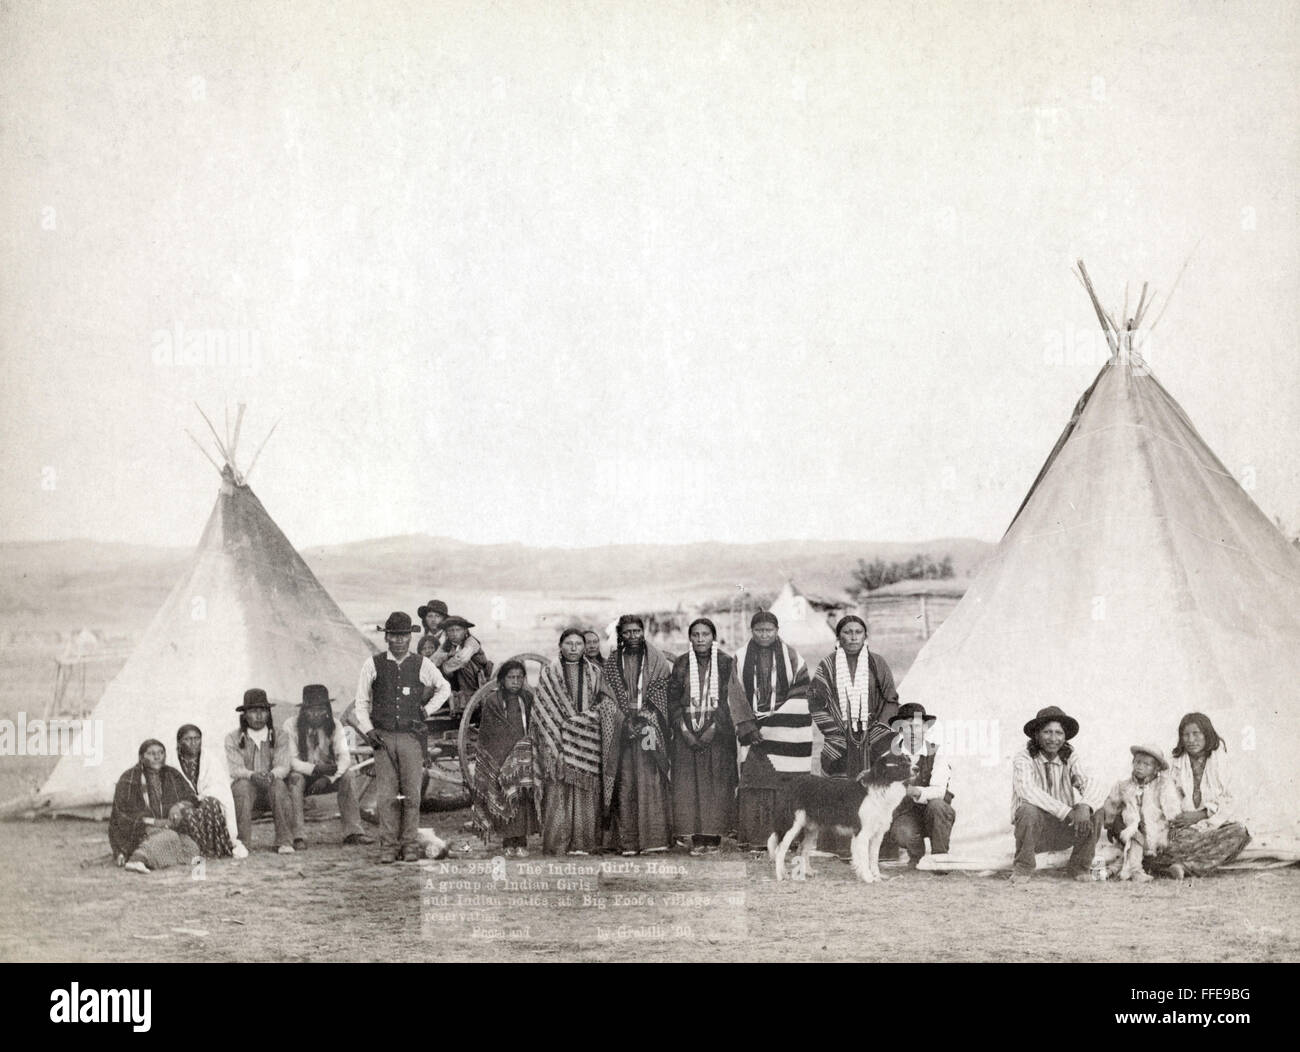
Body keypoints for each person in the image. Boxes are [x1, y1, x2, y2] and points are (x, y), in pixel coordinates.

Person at [353, 611, 453, 863]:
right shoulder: (372, 664)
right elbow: (361, 702)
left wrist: (426, 711)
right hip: (383, 738)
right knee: (387, 797)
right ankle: (388, 846)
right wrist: (368, 730)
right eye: (394, 636)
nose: (399, 641)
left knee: (412, 795)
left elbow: (444, 688)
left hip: (410, 737)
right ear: (386, 637)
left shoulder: (422, 664)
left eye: (404, 636)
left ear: (410, 637)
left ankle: (408, 845)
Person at [729, 611, 812, 848]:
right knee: (755, 780)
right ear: (751, 631)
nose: (764, 635)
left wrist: (777, 721)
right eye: (759, 630)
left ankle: (789, 837)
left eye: (769, 630)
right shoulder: (740, 657)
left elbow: (801, 691)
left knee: (788, 783)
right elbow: (734, 693)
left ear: (777, 631)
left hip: (785, 728)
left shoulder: (794, 658)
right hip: (753, 730)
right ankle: (756, 838)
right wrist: (747, 725)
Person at [532, 628, 617, 855]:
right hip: (556, 741)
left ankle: (583, 844)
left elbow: (606, 703)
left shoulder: (595, 673)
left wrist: (579, 722)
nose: (573, 648)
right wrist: (561, 734)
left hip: (587, 742)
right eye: (568, 643)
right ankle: (557, 844)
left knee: (585, 791)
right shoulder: (550, 673)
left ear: (583, 647)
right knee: (557, 790)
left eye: (578, 644)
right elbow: (543, 708)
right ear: (560, 646)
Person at [666, 618, 745, 854]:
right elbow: (672, 700)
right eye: (696, 635)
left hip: (718, 735)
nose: (700, 639)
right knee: (690, 786)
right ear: (690, 638)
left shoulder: (725, 662)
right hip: (686, 734)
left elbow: (729, 698)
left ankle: (713, 839)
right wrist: (683, 729)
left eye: (705, 634)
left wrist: (714, 728)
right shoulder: (681, 663)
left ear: (713, 637)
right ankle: (697, 838)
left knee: (715, 784)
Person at [1146, 713, 1251, 879]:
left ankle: (1182, 867)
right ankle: (1171, 864)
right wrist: (1176, 820)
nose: (1191, 739)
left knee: (1239, 832)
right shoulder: (1174, 763)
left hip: (1211, 823)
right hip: (1182, 827)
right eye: (1186, 735)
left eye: (1196, 734)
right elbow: (1166, 798)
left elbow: (1230, 799)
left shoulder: (1222, 761)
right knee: (1162, 844)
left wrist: (1202, 815)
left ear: (1207, 734)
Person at [1009, 705, 1106, 884]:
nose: (1053, 739)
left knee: (1097, 810)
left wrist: (1085, 806)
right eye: (1047, 732)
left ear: (1065, 736)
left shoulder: (1070, 756)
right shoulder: (1024, 758)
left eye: (1059, 733)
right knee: (1027, 810)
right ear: (1036, 735)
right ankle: (1023, 867)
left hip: (1064, 831)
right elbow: (1028, 790)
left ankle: (1079, 866)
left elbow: (1092, 783)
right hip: (1037, 833)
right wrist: (1069, 812)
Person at [603, 614, 674, 855]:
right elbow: (606, 696)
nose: (632, 636)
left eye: (636, 631)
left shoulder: (656, 658)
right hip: (622, 729)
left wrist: (644, 717)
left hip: (649, 724)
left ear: (643, 632)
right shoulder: (613, 662)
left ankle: (654, 840)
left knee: (650, 779)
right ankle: (629, 842)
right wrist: (623, 723)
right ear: (620, 635)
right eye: (627, 632)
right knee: (626, 782)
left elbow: (662, 688)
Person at [808, 615, 900, 779]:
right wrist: (835, 731)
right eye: (847, 632)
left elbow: (890, 700)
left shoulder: (877, 663)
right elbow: (816, 702)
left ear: (865, 636)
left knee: (878, 783)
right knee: (840, 788)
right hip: (839, 733)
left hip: (874, 731)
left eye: (858, 632)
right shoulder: (827, 665)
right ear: (838, 636)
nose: (853, 637)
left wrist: (881, 728)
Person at [283, 684, 373, 848]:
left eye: (321, 709)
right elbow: (291, 760)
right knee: (294, 780)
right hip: (303, 775)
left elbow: (344, 758)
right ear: (303, 710)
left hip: (328, 775)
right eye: (310, 709)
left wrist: (328, 777)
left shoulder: (335, 725)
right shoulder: (291, 725)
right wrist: (315, 770)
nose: (316, 714)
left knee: (348, 776)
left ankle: (353, 832)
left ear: (327, 709)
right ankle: (298, 836)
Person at [471, 660, 539, 856]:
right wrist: (502, 757)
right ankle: (508, 843)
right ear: (502, 680)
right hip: (500, 756)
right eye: (511, 677)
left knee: (522, 798)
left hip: (523, 758)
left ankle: (522, 842)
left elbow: (533, 726)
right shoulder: (493, 701)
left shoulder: (527, 698)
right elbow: (488, 733)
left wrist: (525, 750)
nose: (515, 682)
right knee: (504, 798)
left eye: (519, 678)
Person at [110, 739, 202, 873]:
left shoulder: (172, 774)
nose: (157, 756)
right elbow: (123, 816)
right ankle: (137, 859)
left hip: (167, 827)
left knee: (191, 848)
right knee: (170, 837)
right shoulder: (129, 778)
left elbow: (192, 798)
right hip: (137, 829)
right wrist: (155, 822)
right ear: (141, 757)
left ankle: (151, 855)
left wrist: (178, 806)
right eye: (151, 753)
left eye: (161, 752)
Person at [224, 689, 297, 854]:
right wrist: (252, 775)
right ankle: (242, 843)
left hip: (272, 786)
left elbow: (283, 765)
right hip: (248, 789)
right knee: (241, 786)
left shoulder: (280, 735)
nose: (258, 716)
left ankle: (284, 841)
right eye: (253, 711)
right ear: (244, 715)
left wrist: (271, 775)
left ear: (268, 713)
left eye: (263, 711)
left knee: (278, 785)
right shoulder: (233, 738)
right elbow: (235, 769)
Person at [887, 703, 955, 867]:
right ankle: (916, 856)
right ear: (900, 730)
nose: (912, 731)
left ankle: (940, 858)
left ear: (925, 728)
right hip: (905, 812)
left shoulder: (937, 752)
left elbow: (939, 791)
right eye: (907, 726)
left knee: (938, 806)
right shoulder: (891, 755)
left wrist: (912, 790)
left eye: (916, 726)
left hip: (933, 812)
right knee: (902, 831)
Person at [1102, 745, 1181, 881]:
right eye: (1137, 762)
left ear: (1156, 769)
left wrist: (1173, 824)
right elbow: (1111, 806)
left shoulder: (1163, 785)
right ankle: (1136, 871)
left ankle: (1113, 870)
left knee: (1141, 848)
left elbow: (1172, 810)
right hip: (1130, 828)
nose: (1140, 766)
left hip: (1155, 831)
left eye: (1147, 764)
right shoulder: (1124, 786)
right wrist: (1111, 824)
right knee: (1134, 837)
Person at [174, 725, 240, 859]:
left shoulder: (210, 759)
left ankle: (214, 848)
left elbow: (219, 786)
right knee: (187, 812)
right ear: (179, 742)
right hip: (183, 802)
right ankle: (199, 849)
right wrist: (188, 800)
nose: (193, 743)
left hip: (205, 799)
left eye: (197, 738)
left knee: (211, 804)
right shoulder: (172, 761)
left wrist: (202, 797)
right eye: (188, 739)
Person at [435, 615, 493, 713]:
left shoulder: (471, 642)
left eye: (458, 630)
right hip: (458, 682)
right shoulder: (447, 645)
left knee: (463, 664)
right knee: (440, 667)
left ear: (465, 631)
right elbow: (434, 659)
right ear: (447, 633)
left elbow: (462, 658)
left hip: (476, 680)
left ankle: (468, 698)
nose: (454, 633)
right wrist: (447, 655)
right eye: (450, 630)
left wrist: (443, 668)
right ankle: (451, 697)